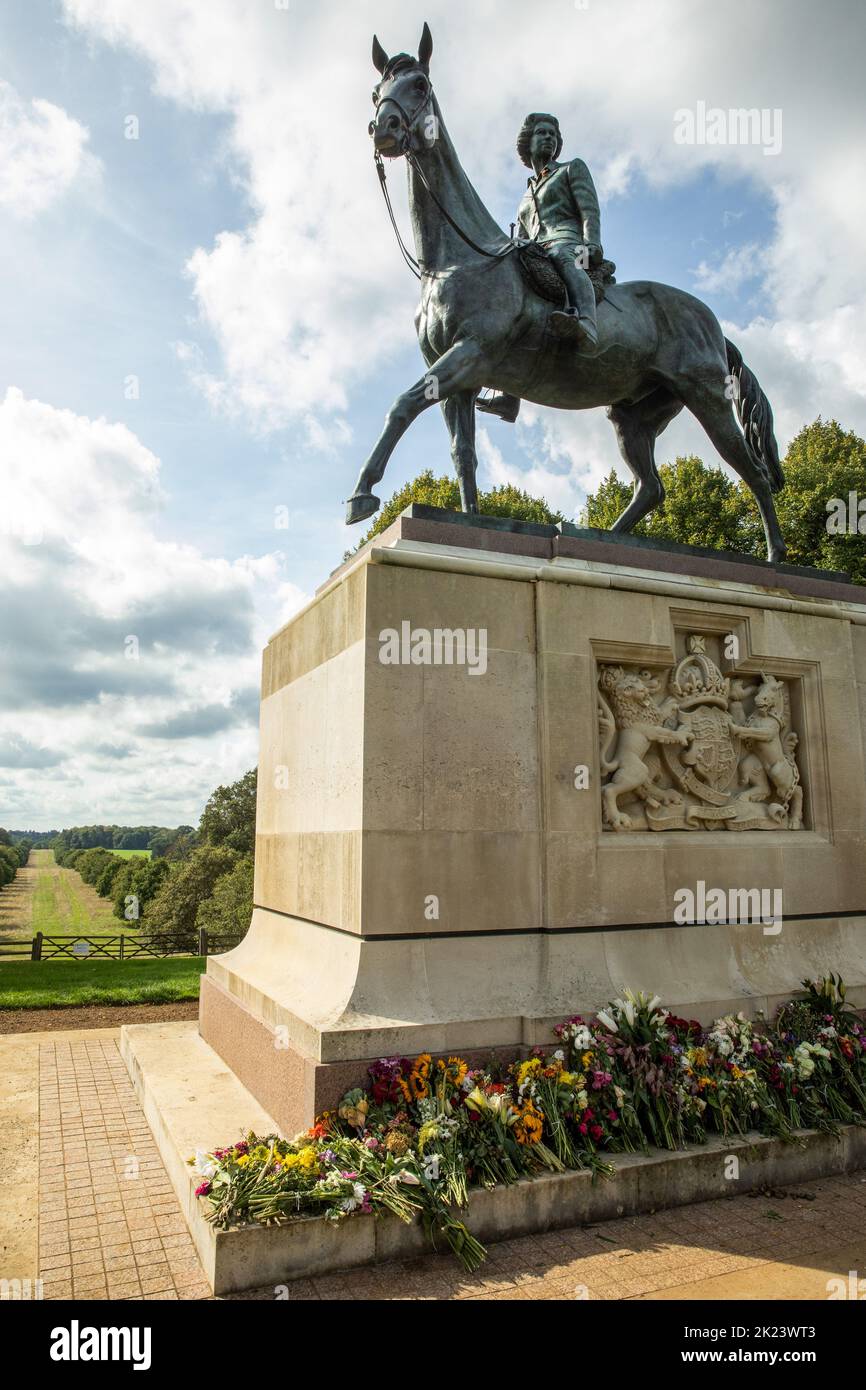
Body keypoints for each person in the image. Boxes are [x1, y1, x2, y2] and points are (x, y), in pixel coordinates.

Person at [478, 112, 604, 423]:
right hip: (535, 249)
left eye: (552, 134)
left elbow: (589, 209)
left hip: (567, 242)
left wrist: (592, 242)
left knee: (564, 258)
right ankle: (509, 397)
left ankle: (586, 322)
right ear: (528, 144)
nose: (548, 137)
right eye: (541, 133)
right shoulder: (525, 195)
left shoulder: (572, 169)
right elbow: (522, 235)